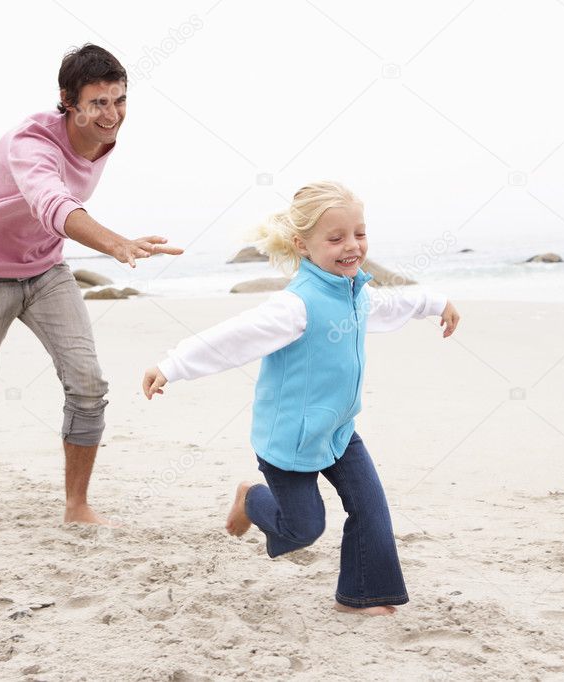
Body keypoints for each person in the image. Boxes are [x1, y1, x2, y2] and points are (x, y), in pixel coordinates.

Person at [141, 181, 460, 614]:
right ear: (302, 245)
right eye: (335, 238)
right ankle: (252, 499)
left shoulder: (356, 293)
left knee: (372, 511)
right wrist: (173, 366)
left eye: (359, 234)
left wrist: (435, 301)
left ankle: (364, 595)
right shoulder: (295, 306)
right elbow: (234, 338)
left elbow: (390, 306)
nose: (352, 247)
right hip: (289, 441)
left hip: (339, 431)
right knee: (303, 529)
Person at [0, 44, 183, 525]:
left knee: (88, 384)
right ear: (67, 101)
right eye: (98, 103)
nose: (112, 114)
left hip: (46, 271)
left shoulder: (103, 138)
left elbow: (57, 212)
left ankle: (77, 506)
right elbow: (49, 201)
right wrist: (115, 244)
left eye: (119, 100)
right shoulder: (30, 141)